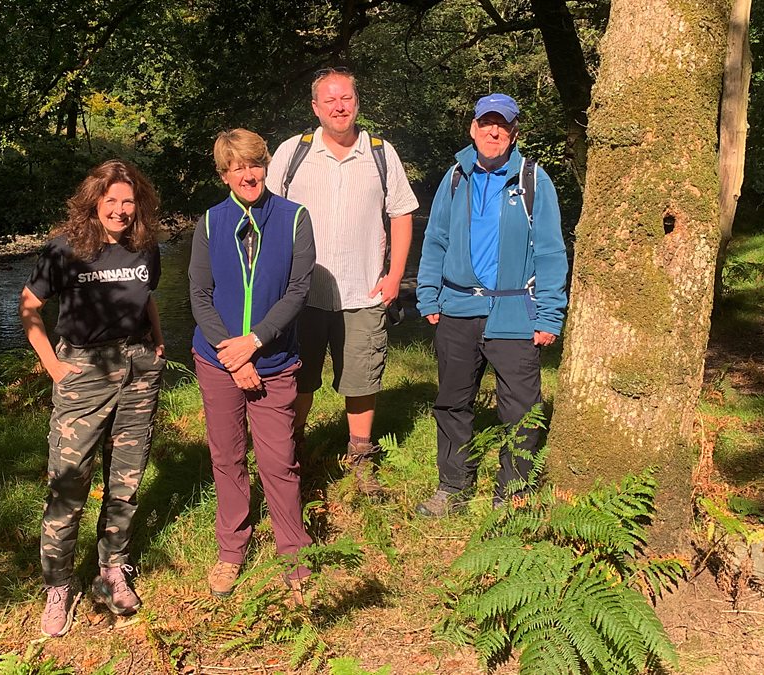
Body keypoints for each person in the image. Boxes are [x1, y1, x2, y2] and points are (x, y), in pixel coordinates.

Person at [19, 159, 165, 636]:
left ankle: (112, 570)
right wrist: (55, 368)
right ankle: (58, 585)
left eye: (128, 202)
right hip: (84, 371)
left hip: (139, 370)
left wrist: (157, 339)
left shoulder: (145, 248)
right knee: (68, 483)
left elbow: (146, 297)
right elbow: (29, 307)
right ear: (95, 203)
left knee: (126, 477)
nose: (121, 210)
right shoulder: (64, 250)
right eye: (112, 201)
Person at [265, 67, 419, 496]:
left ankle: (360, 456)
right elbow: (267, 215)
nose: (339, 106)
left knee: (362, 378)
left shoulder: (381, 153)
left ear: (357, 103)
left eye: (346, 98)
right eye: (330, 100)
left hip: (364, 291)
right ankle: (292, 451)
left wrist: (394, 278)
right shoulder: (293, 152)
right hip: (300, 294)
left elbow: (401, 214)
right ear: (315, 107)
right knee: (298, 377)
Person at [414, 93, 569, 517]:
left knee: (520, 407)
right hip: (458, 310)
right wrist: (428, 294)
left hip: (516, 312)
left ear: (514, 132)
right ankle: (453, 487)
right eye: (486, 123)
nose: (493, 131)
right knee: (452, 402)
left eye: (502, 125)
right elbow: (436, 240)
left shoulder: (534, 181)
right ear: (473, 128)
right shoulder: (454, 178)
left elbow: (552, 252)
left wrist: (550, 313)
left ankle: (513, 493)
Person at [190, 129, 316, 600]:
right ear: (224, 175)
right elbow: (200, 295)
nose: (248, 174)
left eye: (254, 164)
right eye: (236, 167)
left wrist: (256, 341)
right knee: (227, 457)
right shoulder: (209, 222)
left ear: (266, 165)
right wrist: (231, 351)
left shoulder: (295, 218)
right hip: (218, 360)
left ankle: (294, 552)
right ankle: (231, 551)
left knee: (279, 460)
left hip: (275, 359)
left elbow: (297, 291)